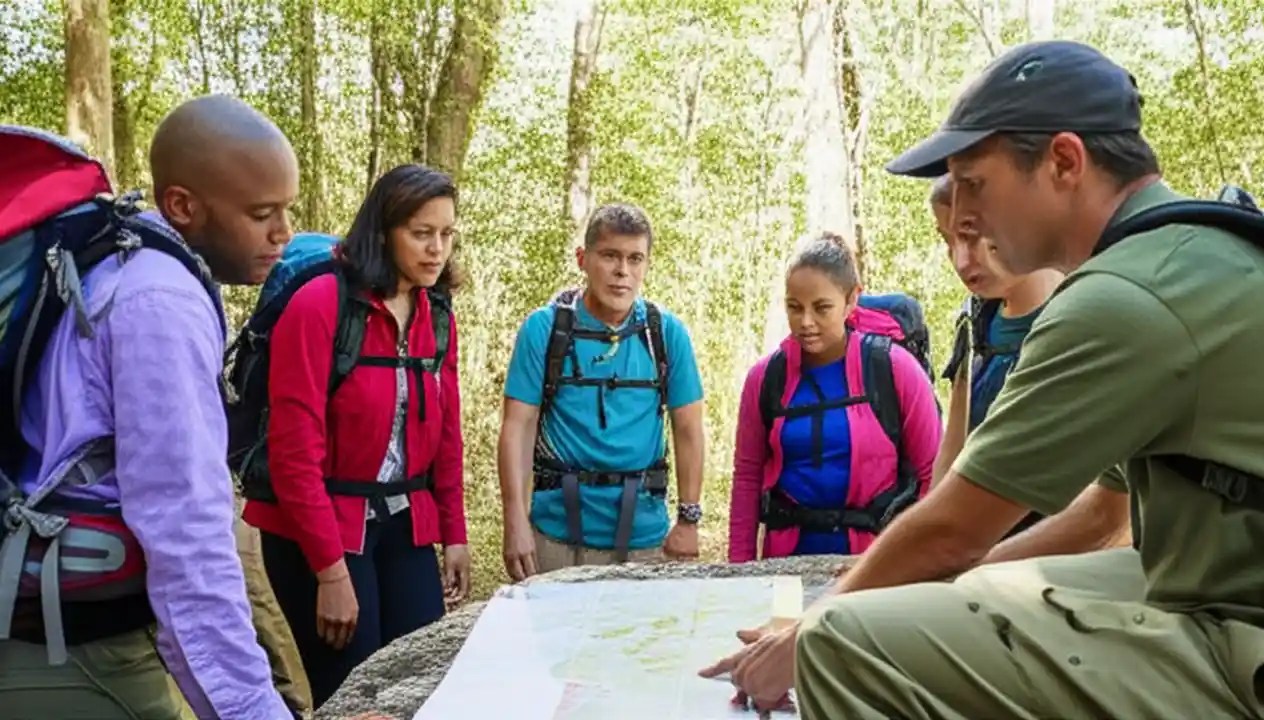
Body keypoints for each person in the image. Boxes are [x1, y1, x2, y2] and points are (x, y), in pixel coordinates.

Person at [701, 40, 1264, 719]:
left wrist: (806, 633)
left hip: (1247, 636)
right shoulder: (1193, 254)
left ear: (1064, 162)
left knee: (842, 642)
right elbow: (1101, 517)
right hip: (1213, 590)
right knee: (917, 596)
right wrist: (923, 591)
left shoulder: (1120, 299)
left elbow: (954, 531)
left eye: (975, 181)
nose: (965, 213)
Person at [0, 95, 300, 718]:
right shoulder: (159, 302)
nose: (283, 234)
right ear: (183, 206)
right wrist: (252, 711)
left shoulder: (109, 267)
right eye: (261, 213)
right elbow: (186, 533)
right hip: (80, 646)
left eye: (286, 210)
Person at [242, 164, 471, 706]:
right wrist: (330, 572)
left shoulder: (435, 314)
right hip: (319, 528)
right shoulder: (321, 304)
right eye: (421, 233)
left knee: (422, 684)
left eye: (446, 233)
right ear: (384, 230)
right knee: (355, 696)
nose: (437, 248)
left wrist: (454, 531)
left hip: (404, 519)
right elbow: (294, 450)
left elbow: (447, 433)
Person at [498, 202, 704, 579]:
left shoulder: (666, 334)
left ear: (646, 264)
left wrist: (688, 520)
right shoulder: (544, 330)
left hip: (644, 537)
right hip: (554, 535)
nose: (622, 271)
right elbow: (518, 426)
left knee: (639, 639)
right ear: (583, 258)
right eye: (610, 256)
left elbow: (688, 429)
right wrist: (514, 519)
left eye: (635, 259)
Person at [931, 174, 1132, 561]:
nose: (959, 259)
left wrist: (977, 566)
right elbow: (951, 459)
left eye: (970, 234)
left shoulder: (1092, 320)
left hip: (1064, 570)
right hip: (975, 564)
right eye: (947, 240)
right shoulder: (974, 326)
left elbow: (1110, 508)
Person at [727, 232, 941, 561]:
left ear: (851, 300)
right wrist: (738, 573)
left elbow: (932, 474)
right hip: (785, 565)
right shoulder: (765, 379)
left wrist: (921, 562)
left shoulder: (896, 370)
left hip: (875, 562)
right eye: (794, 307)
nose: (806, 322)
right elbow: (747, 477)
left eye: (821, 308)